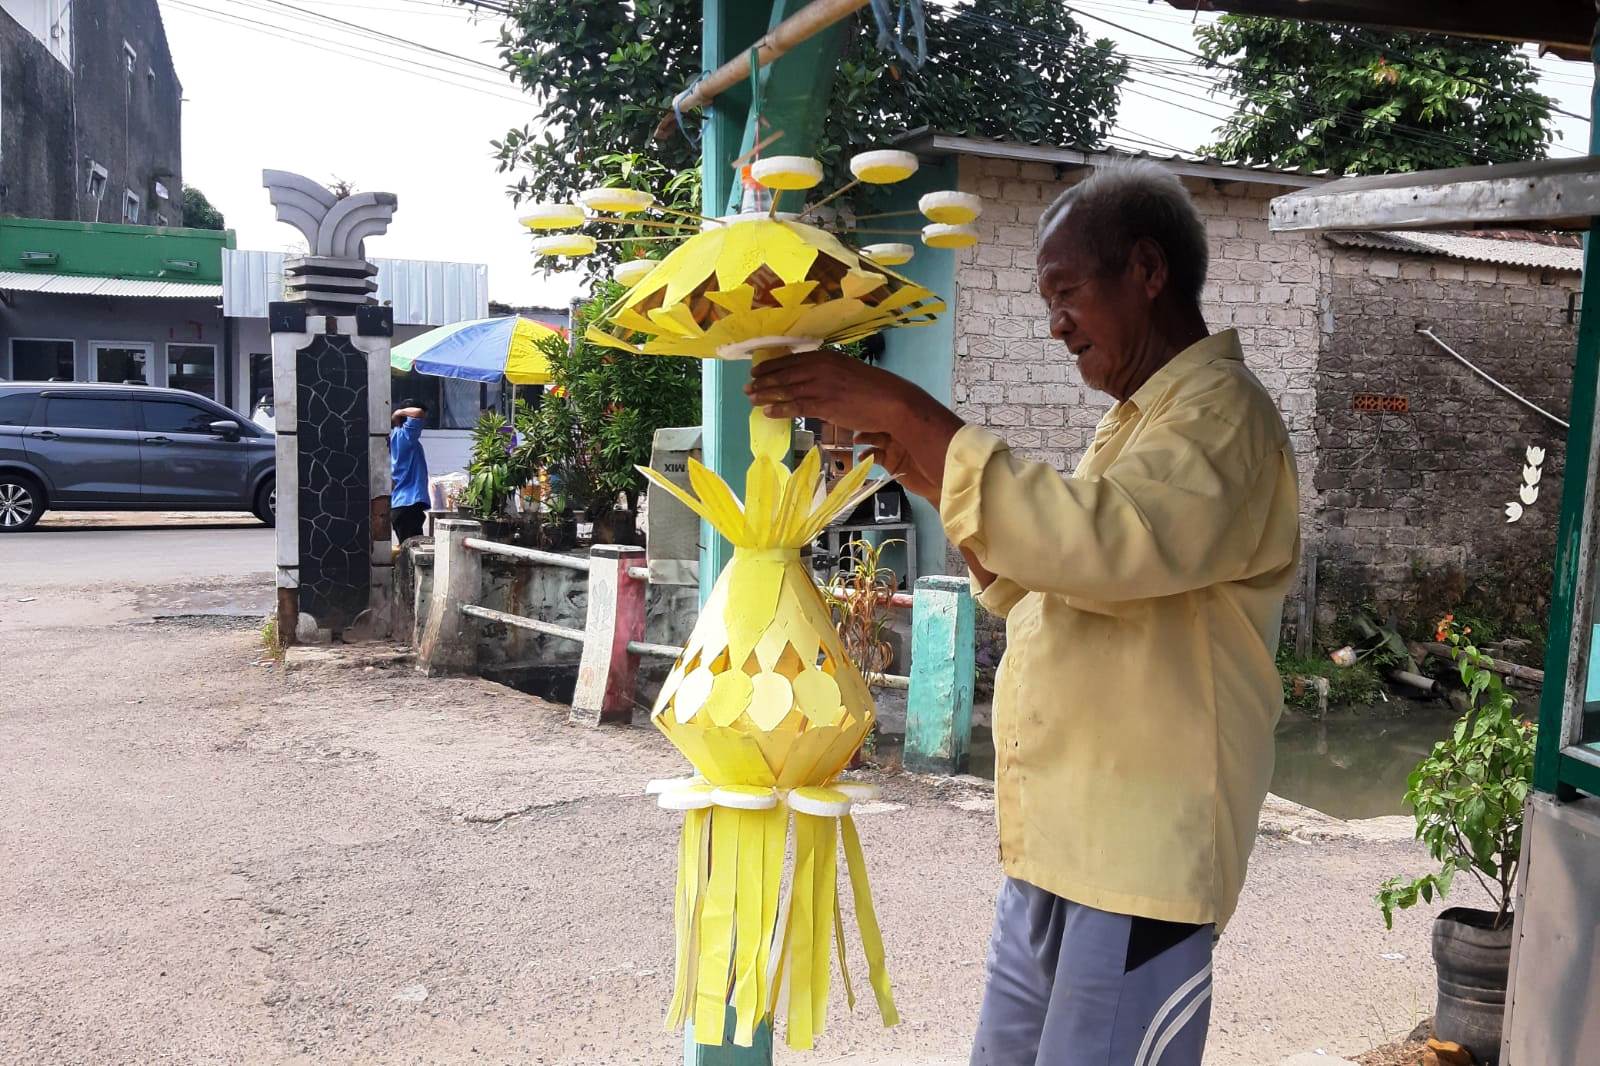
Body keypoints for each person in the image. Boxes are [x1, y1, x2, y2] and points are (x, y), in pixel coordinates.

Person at [745, 161, 1301, 1066]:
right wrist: (921, 464)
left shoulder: (1223, 414)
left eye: (1067, 291)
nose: (1054, 324)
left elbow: (1105, 545)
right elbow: (1055, 572)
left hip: (1138, 857)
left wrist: (914, 415)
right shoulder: (1142, 418)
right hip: (1065, 838)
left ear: (1148, 272)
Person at [390, 399, 430, 544]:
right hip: (408, 505)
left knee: (411, 554)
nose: (423, 423)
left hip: (404, 506)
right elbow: (417, 413)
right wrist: (398, 413)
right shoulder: (406, 436)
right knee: (414, 557)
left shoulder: (397, 436)